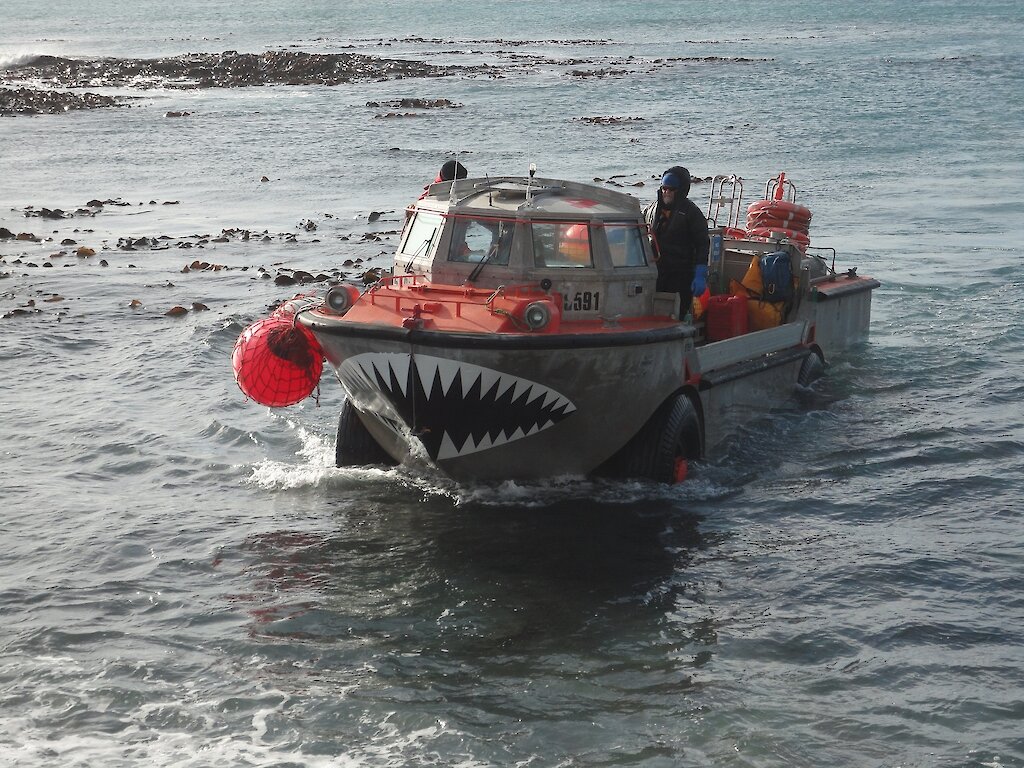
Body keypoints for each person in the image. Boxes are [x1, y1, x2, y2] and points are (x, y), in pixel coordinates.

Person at [642, 165, 709, 318]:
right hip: (656, 271)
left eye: (671, 189)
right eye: (664, 188)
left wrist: (700, 273)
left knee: (676, 312)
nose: (667, 192)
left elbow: (702, 244)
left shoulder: (692, 213)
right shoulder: (651, 209)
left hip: (682, 272)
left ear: (681, 190)